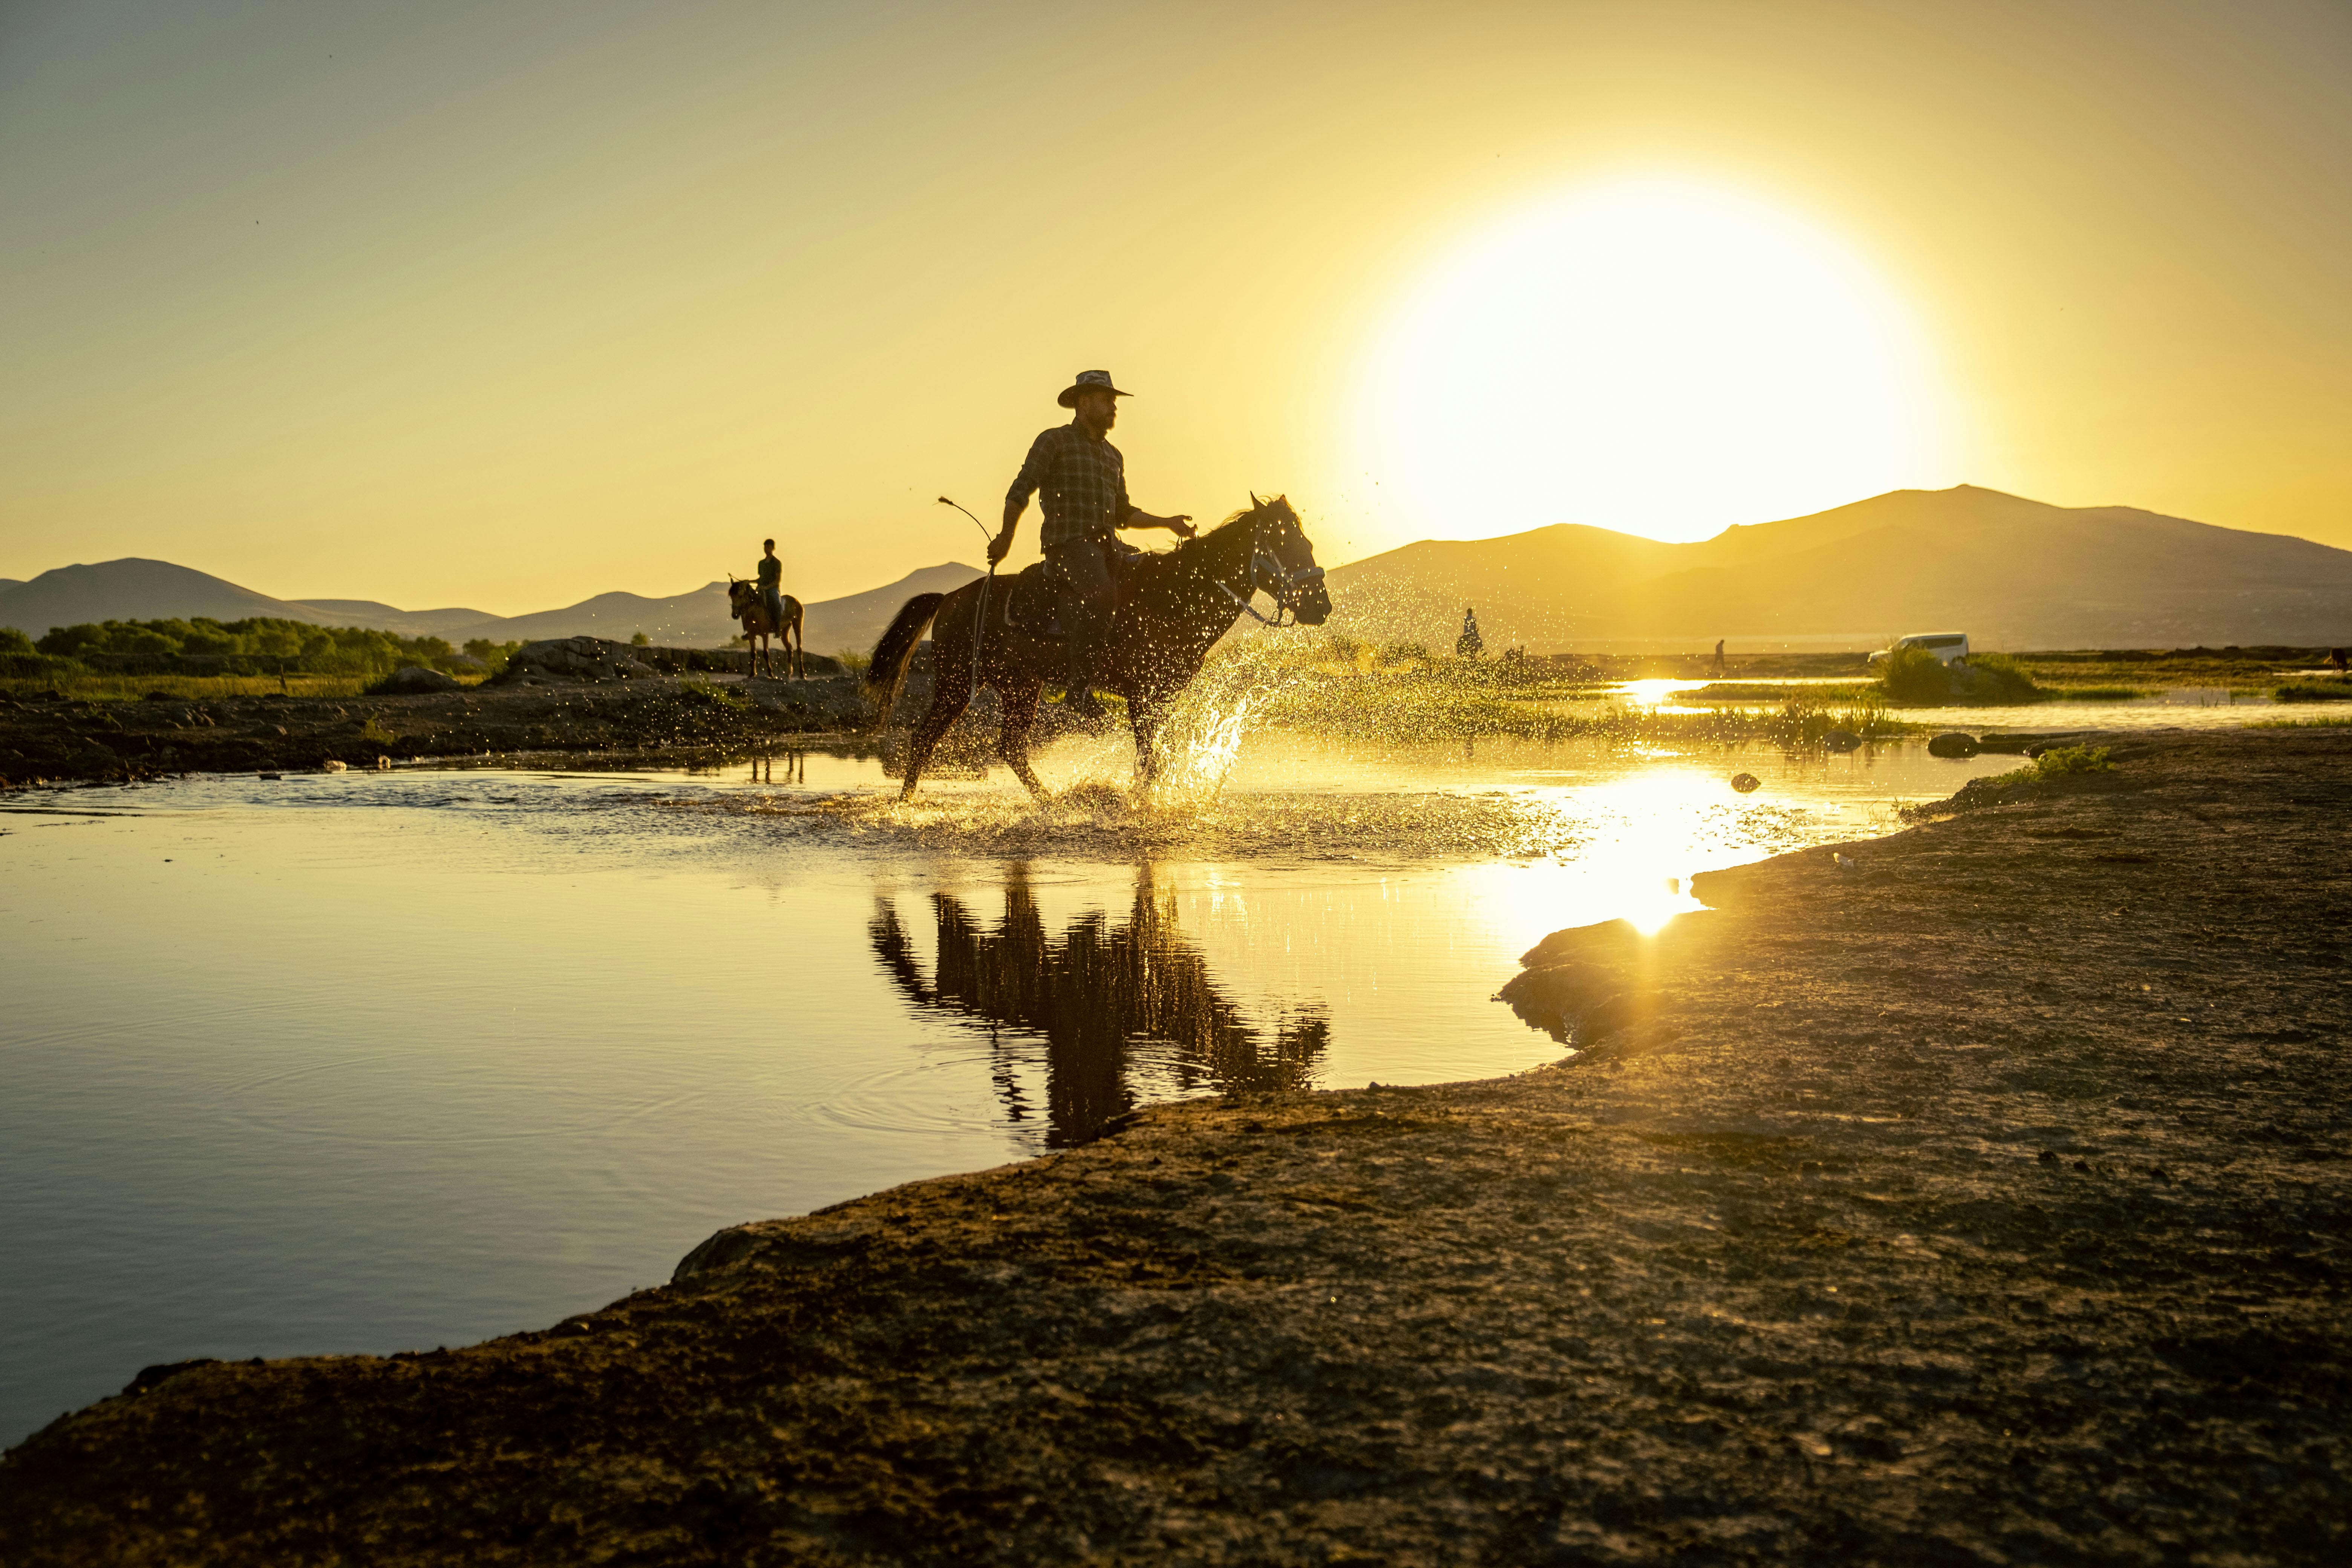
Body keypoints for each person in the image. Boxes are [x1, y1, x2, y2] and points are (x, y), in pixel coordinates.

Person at [992, 370, 1194, 720]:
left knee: (1152, 576)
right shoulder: (1053, 441)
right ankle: (1079, 688)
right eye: (1106, 400)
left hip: (1109, 546)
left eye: (1115, 402)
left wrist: (1167, 522)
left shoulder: (1114, 456)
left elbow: (1124, 514)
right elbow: (1021, 489)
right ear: (1083, 402)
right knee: (1101, 593)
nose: (1114, 407)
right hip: (1066, 545)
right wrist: (1006, 537)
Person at [756, 539, 785, 638]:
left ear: (773, 548)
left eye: (768, 547)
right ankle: (750, 629)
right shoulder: (761, 563)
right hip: (762, 588)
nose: (766, 549)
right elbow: (760, 578)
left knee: (777, 604)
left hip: (773, 589)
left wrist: (767, 587)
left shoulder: (777, 563)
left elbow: (778, 580)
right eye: (765, 547)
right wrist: (749, 582)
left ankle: (778, 629)